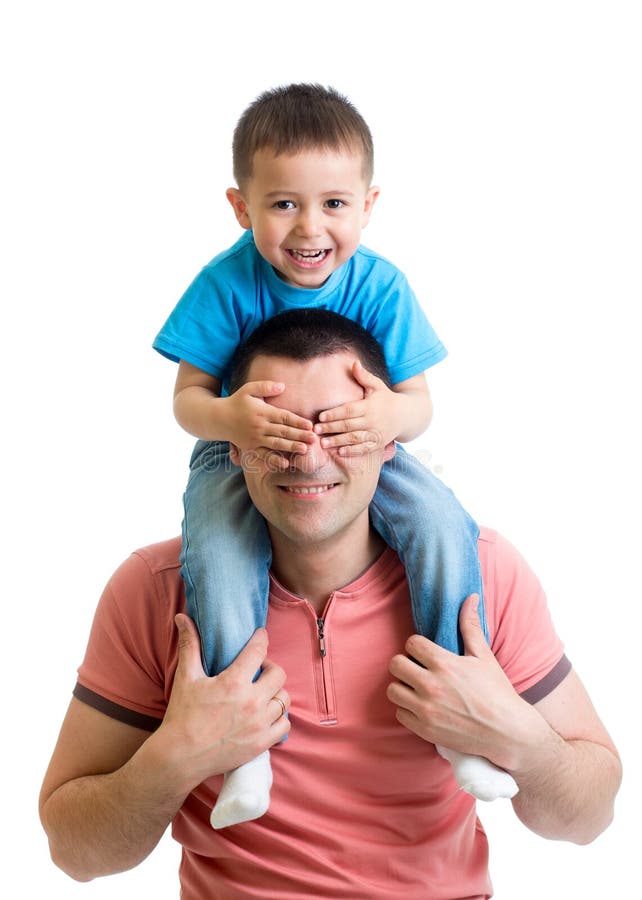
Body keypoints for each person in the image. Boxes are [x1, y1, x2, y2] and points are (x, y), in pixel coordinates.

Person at [39, 309, 621, 898]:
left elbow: (588, 818)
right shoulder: (154, 588)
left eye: (339, 426)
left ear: (390, 440)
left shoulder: (482, 573)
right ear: (233, 447)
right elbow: (75, 854)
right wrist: (176, 756)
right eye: (276, 429)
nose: (309, 456)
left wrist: (515, 735)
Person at [152, 83, 512, 828]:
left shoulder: (380, 284)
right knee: (216, 552)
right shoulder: (226, 284)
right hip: (245, 452)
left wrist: (386, 414)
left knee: (444, 523)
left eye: (334, 205)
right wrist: (229, 418)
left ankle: (457, 704)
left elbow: (419, 405)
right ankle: (241, 738)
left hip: (356, 452)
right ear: (240, 206)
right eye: (283, 204)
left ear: (369, 205)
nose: (309, 228)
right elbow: (186, 401)